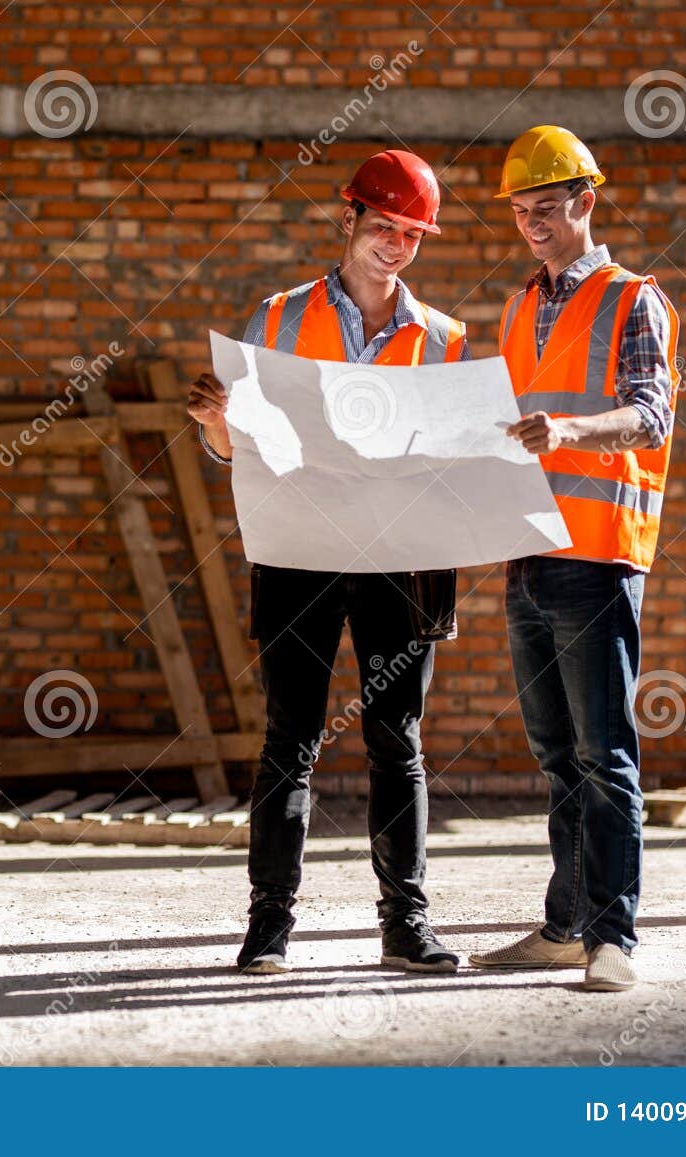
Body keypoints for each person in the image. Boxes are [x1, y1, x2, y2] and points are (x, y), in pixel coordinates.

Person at [187, 150, 467, 974]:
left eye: (413, 234)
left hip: (400, 560)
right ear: (347, 220)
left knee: (398, 739)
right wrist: (213, 421)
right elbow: (240, 449)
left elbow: (456, 459)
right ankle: (268, 927)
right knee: (290, 740)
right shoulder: (274, 318)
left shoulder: (445, 339)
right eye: (385, 227)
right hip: (300, 553)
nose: (397, 246)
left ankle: (405, 927)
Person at [468, 126, 680, 992]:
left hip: (596, 558)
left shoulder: (635, 300)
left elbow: (651, 416)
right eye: (521, 212)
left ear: (586, 203)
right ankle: (565, 924)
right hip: (527, 553)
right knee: (558, 757)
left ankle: (613, 937)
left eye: (547, 209)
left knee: (605, 754)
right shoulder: (520, 306)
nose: (532, 225)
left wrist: (572, 431)